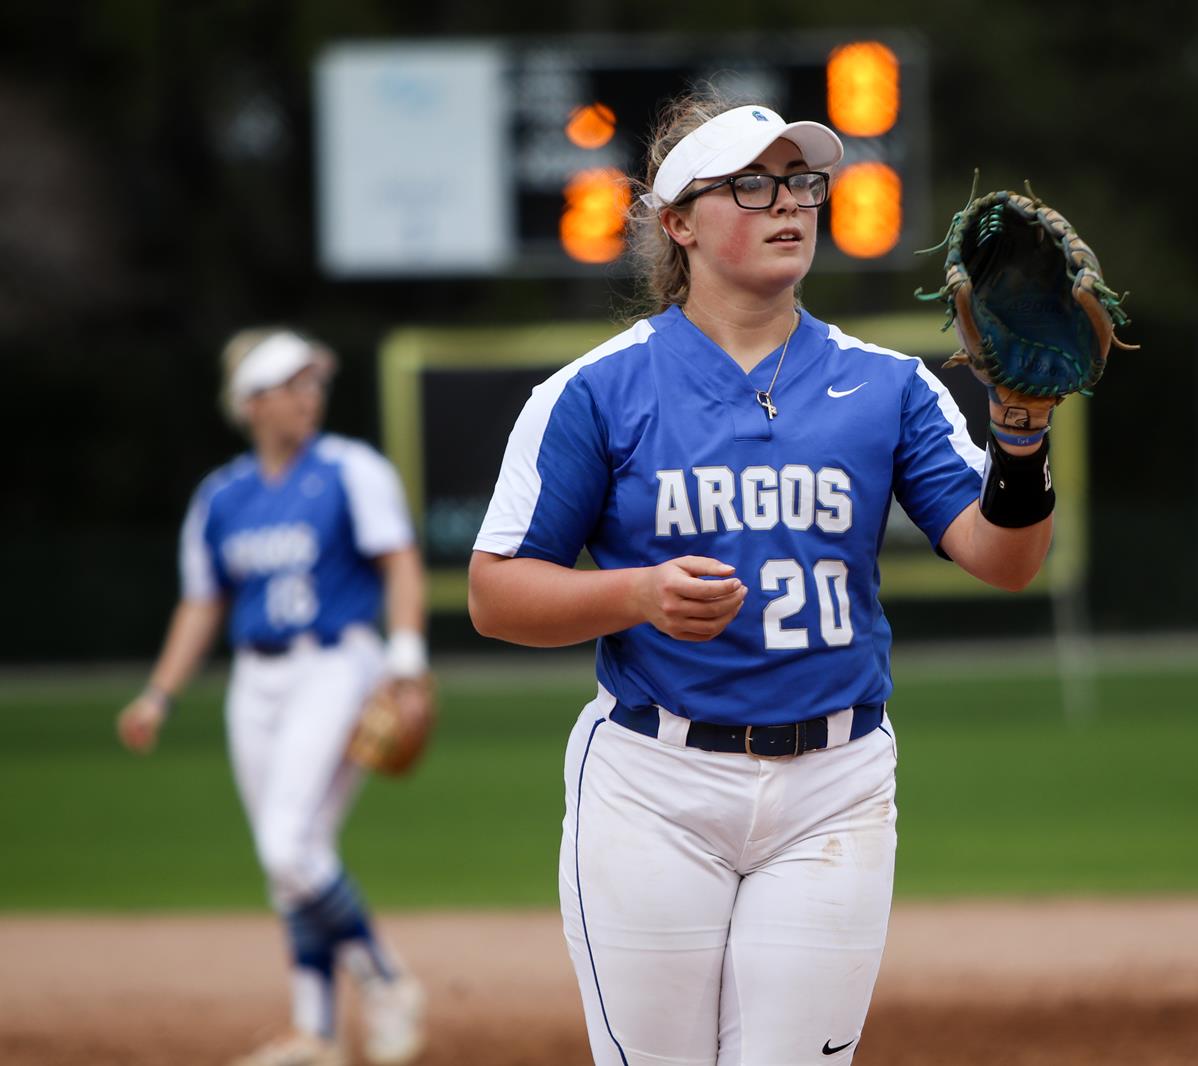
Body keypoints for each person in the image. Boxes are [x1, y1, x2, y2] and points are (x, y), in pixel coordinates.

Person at [469, 91, 1057, 1066]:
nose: (787, 201)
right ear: (678, 223)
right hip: (654, 785)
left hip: (835, 786)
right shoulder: (597, 391)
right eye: (749, 184)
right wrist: (636, 594)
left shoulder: (887, 385)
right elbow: (496, 595)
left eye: (800, 181)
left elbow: (1006, 557)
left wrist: (1022, 437)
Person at [116, 328, 430, 1066]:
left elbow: (400, 563)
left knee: (287, 846)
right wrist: (160, 694)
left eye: (313, 383)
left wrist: (406, 662)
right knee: (291, 861)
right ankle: (315, 1033)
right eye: (291, 385)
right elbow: (202, 603)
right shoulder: (221, 496)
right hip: (254, 680)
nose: (309, 396)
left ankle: (386, 981)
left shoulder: (351, 468)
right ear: (252, 402)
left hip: (337, 665)